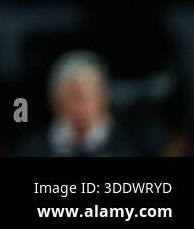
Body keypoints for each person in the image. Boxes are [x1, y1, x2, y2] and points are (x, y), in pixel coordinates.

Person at [17, 51, 146, 157]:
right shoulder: (32, 149)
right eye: (73, 94)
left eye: (89, 91)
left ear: (104, 96)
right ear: (54, 99)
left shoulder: (134, 145)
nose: (81, 100)